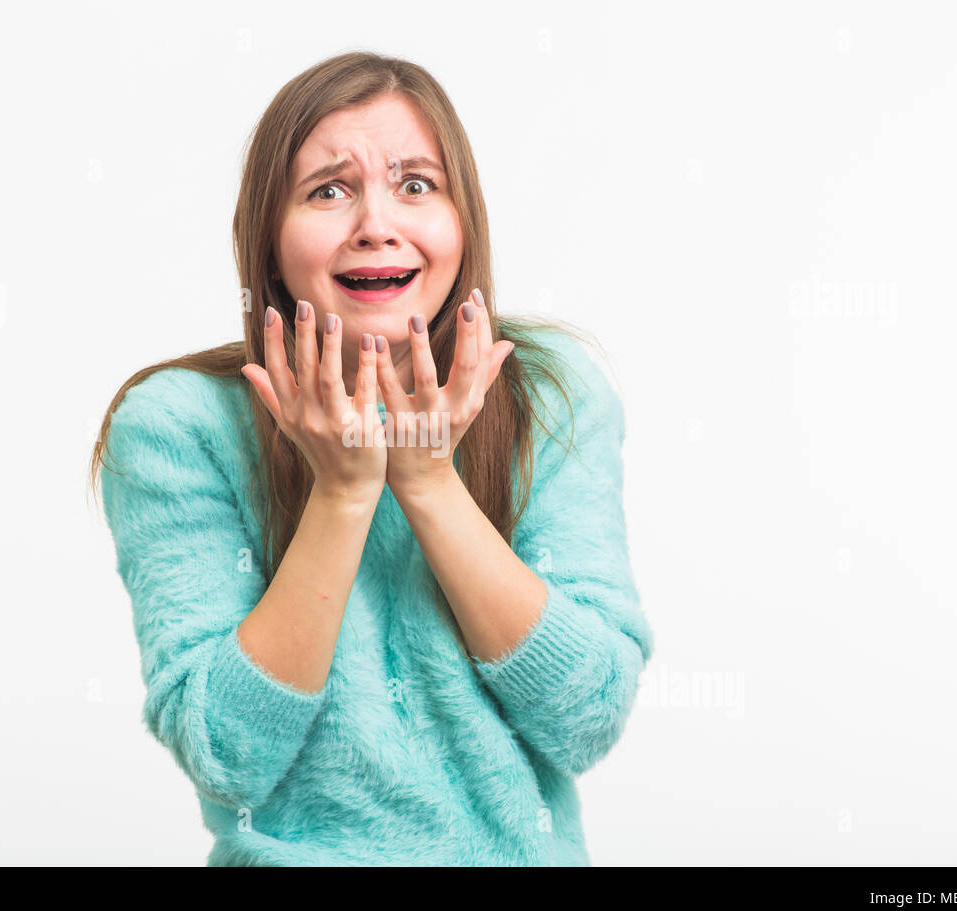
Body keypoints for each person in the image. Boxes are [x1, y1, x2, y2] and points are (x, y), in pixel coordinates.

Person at [88, 51, 654, 866]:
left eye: (416, 184)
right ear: (270, 241)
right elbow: (224, 753)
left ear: (464, 223)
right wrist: (343, 495)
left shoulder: (550, 397)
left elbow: (586, 714)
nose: (376, 224)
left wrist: (427, 480)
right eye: (328, 190)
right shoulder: (179, 426)